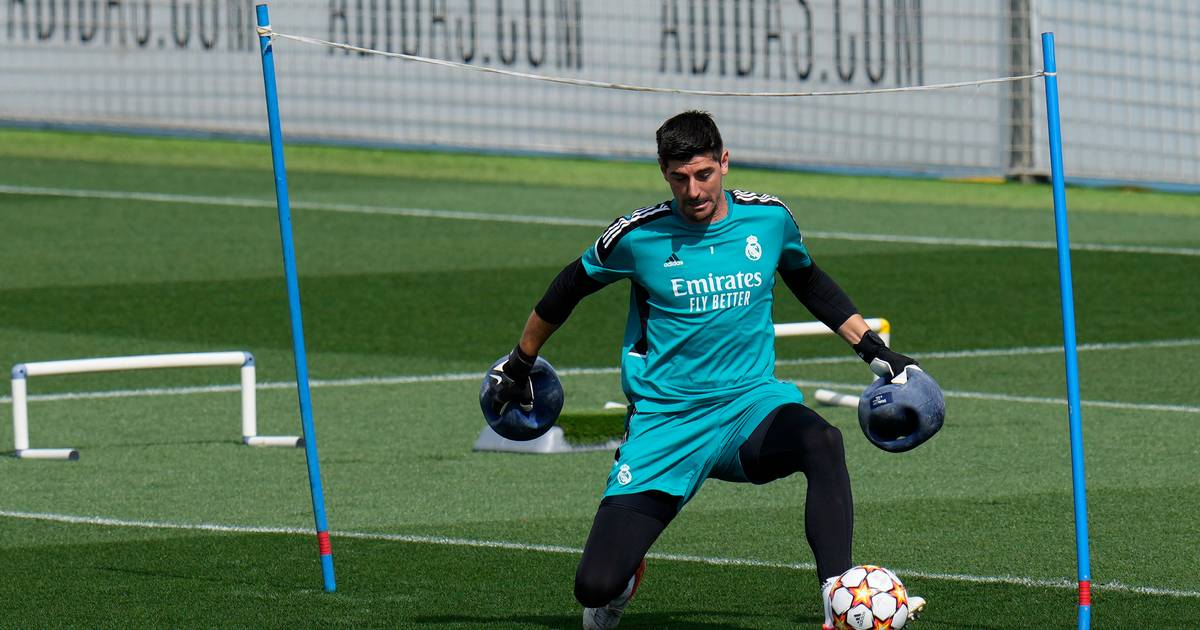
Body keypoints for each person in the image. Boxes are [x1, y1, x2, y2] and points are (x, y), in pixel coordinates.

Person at [487, 110, 926, 629]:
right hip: (666, 423)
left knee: (823, 441)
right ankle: (625, 578)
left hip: (751, 407)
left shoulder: (770, 219)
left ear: (724, 161)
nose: (693, 190)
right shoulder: (636, 236)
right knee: (595, 586)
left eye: (703, 174)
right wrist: (521, 361)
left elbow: (808, 281)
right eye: (679, 178)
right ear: (663, 172)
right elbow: (566, 289)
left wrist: (876, 352)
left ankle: (838, 597)